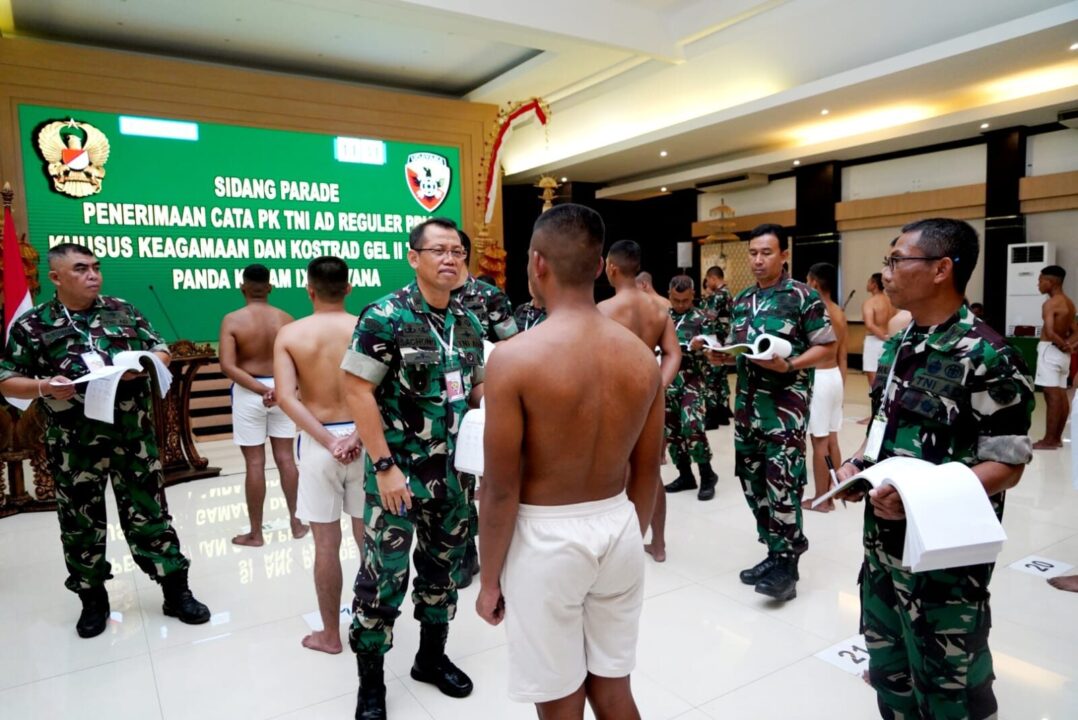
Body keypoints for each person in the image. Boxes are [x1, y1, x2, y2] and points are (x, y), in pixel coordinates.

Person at [835, 218, 1034, 720]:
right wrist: (858, 463)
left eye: (898, 260)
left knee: (950, 686)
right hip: (883, 548)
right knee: (890, 670)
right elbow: (884, 420)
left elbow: (1007, 463)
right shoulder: (904, 342)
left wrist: (920, 499)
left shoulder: (988, 355)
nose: (889, 271)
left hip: (945, 561)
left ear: (942, 269)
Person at [476, 203, 664, 720]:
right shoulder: (639, 358)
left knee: (559, 702)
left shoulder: (514, 358)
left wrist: (490, 578)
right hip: (620, 525)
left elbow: (499, 489)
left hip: (546, 539)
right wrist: (629, 531)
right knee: (613, 690)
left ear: (537, 263)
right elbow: (648, 471)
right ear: (602, 266)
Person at [0, 243, 209, 638]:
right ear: (56, 277)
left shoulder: (123, 310)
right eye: (81, 269)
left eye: (96, 267)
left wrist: (142, 365)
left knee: (151, 514)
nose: (93, 275)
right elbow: (7, 379)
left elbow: (161, 351)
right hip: (73, 445)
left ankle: (175, 590)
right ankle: (92, 600)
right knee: (80, 523)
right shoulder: (33, 325)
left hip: (134, 437)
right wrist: (45, 386)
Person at [342, 218, 483, 718]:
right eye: (439, 250)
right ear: (413, 257)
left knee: (443, 574)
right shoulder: (384, 315)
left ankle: (430, 658)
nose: (450, 259)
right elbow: (357, 390)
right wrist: (382, 466)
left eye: (458, 252)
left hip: (457, 478)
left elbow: (475, 389)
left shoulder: (468, 319)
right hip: (398, 477)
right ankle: (372, 684)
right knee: (382, 580)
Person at [707, 224, 835, 602]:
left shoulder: (802, 297)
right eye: (753, 253)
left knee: (782, 486)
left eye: (766, 252)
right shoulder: (743, 299)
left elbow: (827, 348)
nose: (758, 260)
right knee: (753, 485)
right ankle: (774, 550)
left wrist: (792, 363)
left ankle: (788, 567)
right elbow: (738, 346)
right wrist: (720, 355)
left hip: (784, 412)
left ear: (783, 256)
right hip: (746, 410)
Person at [274, 256, 364, 655]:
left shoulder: (291, 334)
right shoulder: (366, 326)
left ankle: (330, 635)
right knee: (371, 541)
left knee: (325, 545)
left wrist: (329, 441)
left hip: (318, 442)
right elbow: (383, 391)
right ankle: (370, 627)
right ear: (348, 288)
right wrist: (357, 435)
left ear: (309, 290)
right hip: (365, 441)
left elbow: (284, 398)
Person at [597, 239, 681, 562]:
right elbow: (674, 353)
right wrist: (656, 385)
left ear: (612, 268)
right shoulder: (658, 309)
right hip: (650, 400)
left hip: (615, 400)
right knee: (650, 471)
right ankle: (657, 544)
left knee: (617, 472)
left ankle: (621, 547)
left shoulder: (604, 310)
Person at [218, 264, 304, 546]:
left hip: (249, 391)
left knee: (255, 463)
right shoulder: (286, 319)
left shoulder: (232, 320)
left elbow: (228, 366)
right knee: (287, 459)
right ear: (270, 287)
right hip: (283, 392)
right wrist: (279, 390)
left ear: (242, 287)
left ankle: (256, 533)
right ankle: (297, 523)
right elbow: (296, 361)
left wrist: (260, 389)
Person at [451, 230, 518, 586]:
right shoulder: (426, 298)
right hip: (443, 404)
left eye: (452, 250)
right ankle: (464, 553)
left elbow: (514, 345)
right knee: (456, 480)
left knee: (490, 478)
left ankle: (497, 550)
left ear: (463, 253)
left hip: (487, 399)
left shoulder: (489, 297)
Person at [664, 275, 720, 500]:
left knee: (693, 426)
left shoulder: (703, 318)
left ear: (693, 296)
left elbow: (716, 348)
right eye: (676, 300)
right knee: (672, 430)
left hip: (692, 381)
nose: (680, 305)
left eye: (685, 300)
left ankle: (707, 475)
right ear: (669, 295)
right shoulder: (662, 317)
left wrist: (703, 344)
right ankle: (685, 475)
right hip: (668, 380)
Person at [802, 263, 847, 512]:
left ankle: (821, 499)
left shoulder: (816, 311)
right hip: (835, 378)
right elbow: (843, 357)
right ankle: (833, 494)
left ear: (815, 283)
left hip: (818, 378)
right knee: (832, 439)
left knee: (819, 442)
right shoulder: (839, 312)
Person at [1032, 265, 1075, 450]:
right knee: (1061, 394)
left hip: (1050, 350)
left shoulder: (1050, 304)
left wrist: (1060, 344)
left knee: (1052, 395)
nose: (1038, 284)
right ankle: (1056, 438)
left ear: (1051, 282)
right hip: (1062, 355)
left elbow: (1049, 331)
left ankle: (1049, 440)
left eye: (1041, 280)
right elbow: (1076, 331)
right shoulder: (1069, 303)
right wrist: (1069, 346)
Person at [699, 265, 733, 427]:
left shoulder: (719, 296)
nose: (707, 284)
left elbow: (708, 317)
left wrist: (705, 300)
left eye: (708, 280)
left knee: (711, 379)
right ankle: (724, 412)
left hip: (715, 341)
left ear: (713, 278)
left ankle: (712, 416)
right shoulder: (728, 293)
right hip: (725, 340)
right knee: (721, 378)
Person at [860, 272, 895, 422]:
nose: (867, 283)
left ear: (874, 284)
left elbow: (870, 324)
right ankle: (885, 411)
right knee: (887, 377)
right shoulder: (890, 301)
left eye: (868, 280)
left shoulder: (870, 302)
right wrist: (888, 338)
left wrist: (883, 337)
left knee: (874, 380)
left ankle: (875, 415)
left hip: (876, 341)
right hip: (889, 340)